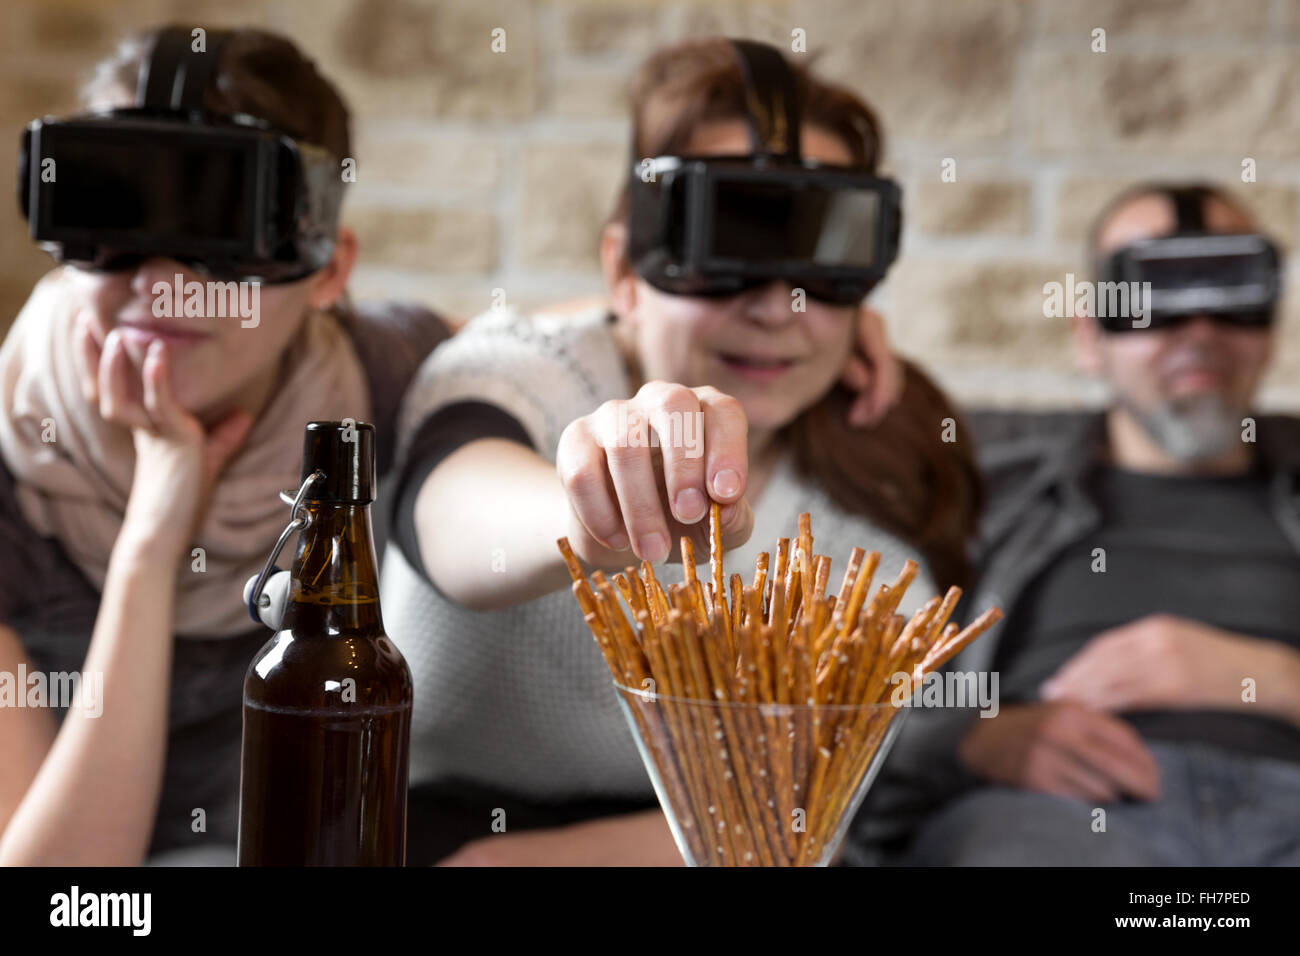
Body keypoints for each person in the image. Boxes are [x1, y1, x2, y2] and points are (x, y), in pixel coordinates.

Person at [381, 36, 982, 866]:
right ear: (625, 269)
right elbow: (451, 514)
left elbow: (807, 804)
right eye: (729, 241)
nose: (779, 308)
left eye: (820, 260)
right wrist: (592, 513)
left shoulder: (876, 493)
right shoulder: (526, 367)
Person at [0, 25, 449, 865]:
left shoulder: (385, 375)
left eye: (216, 225)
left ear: (327, 271)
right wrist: (152, 538)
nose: (162, 279)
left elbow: (538, 347)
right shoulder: (10, 463)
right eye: (118, 214)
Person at [900, 182, 1300, 865]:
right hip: (1063, 823)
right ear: (1089, 337)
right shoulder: (983, 494)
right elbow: (858, 717)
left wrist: (1264, 675)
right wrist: (979, 738)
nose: (1198, 332)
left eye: (1230, 294)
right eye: (1149, 297)